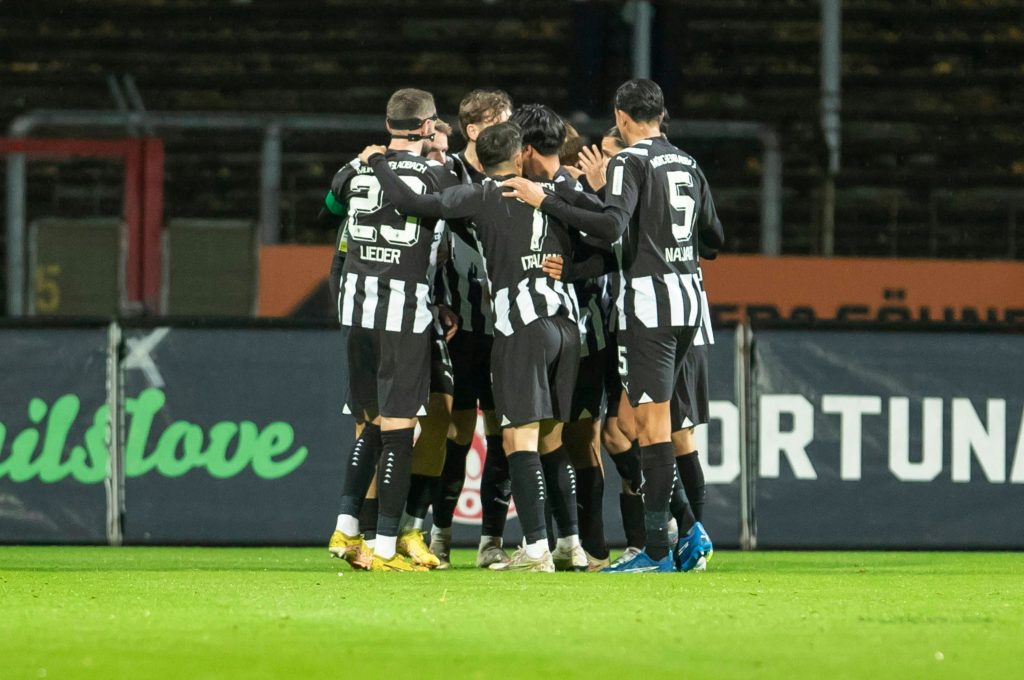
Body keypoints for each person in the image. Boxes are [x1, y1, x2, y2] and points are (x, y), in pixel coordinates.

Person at [502, 79, 724, 573]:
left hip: (650, 307)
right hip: (691, 303)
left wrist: (546, 201)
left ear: (622, 118)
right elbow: (714, 237)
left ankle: (660, 550)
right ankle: (689, 532)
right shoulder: (687, 162)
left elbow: (609, 226)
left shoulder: (629, 161)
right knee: (628, 427)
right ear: (660, 115)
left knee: (649, 426)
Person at [360, 121, 583, 572]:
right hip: (568, 324)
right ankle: (571, 545)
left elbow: (409, 202)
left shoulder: (480, 195)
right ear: (520, 156)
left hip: (520, 324)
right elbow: (607, 229)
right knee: (551, 441)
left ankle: (537, 549)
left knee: (518, 439)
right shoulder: (554, 192)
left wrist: (379, 162)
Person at [324, 87, 460, 572]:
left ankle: (346, 528)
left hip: (356, 311)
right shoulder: (438, 174)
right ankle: (384, 548)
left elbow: (330, 203)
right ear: (426, 127)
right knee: (401, 432)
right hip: (403, 311)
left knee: (371, 424)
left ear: (387, 125)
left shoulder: (357, 170)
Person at [430, 89, 517, 570]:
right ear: (475, 130)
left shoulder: (517, 176)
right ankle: (439, 534)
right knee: (458, 431)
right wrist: (440, 298)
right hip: (462, 324)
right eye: (500, 123)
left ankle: (491, 542)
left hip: (507, 327)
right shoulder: (448, 176)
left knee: (502, 432)